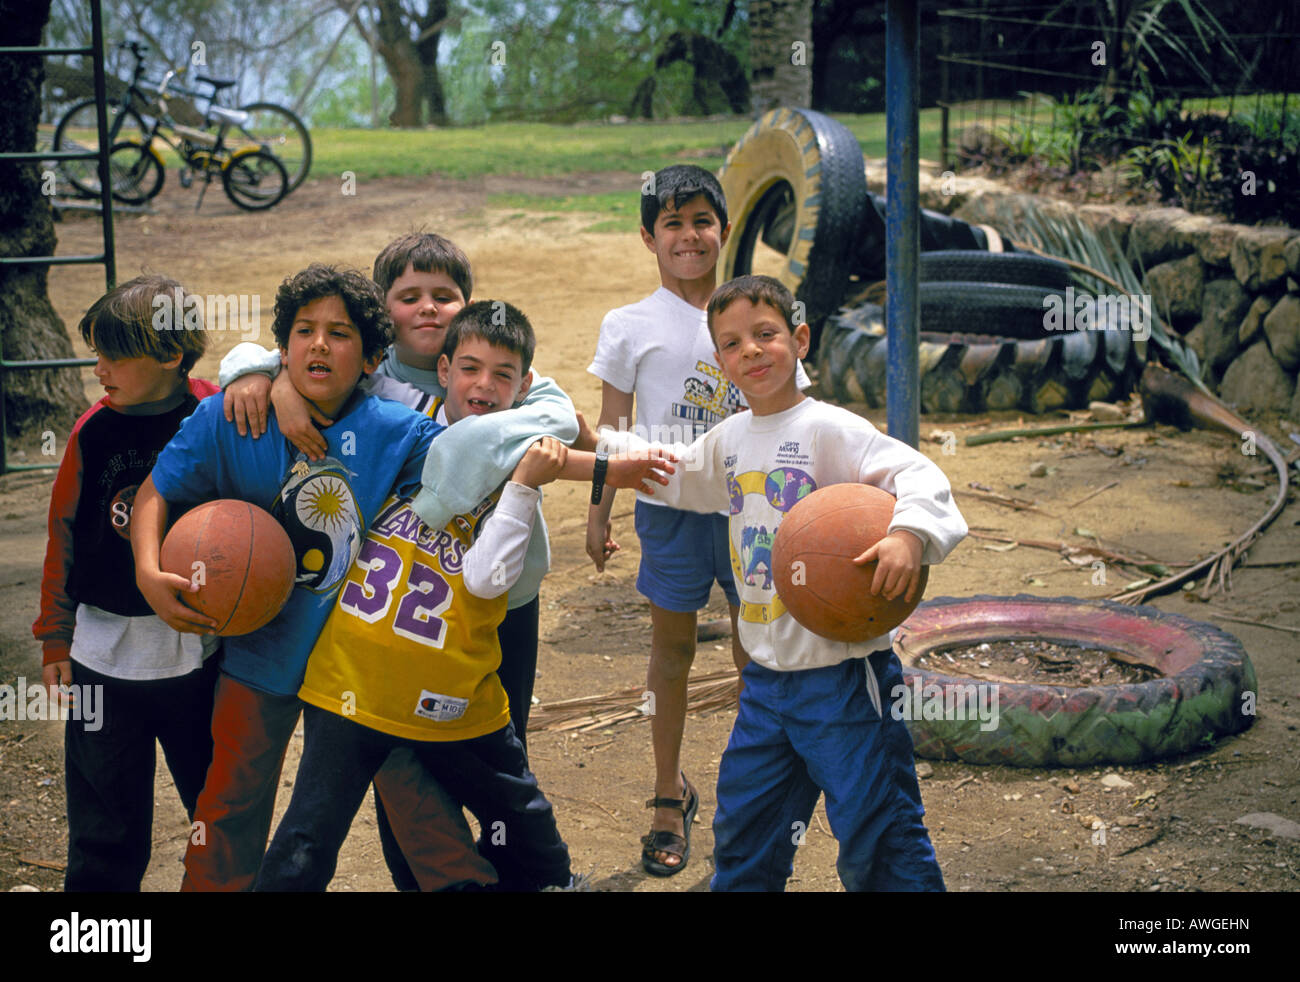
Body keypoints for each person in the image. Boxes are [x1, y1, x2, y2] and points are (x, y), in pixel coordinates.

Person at [254, 301, 673, 891]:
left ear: (523, 387)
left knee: (519, 822)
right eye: (470, 368)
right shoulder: (395, 424)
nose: (484, 384)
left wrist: (541, 478)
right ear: (443, 369)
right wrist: (270, 380)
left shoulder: (516, 453)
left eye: (503, 376)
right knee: (312, 835)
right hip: (359, 678)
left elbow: (486, 577)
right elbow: (474, 444)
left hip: (445, 689)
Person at [217, 233, 585, 890]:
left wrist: (495, 438)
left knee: (494, 770)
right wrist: (266, 378)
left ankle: (518, 877)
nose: (429, 309)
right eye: (408, 296)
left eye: (445, 296)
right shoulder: (368, 377)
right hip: (394, 625)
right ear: (383, 312)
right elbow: (278, 349)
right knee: (403, 778)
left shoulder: (493, 369)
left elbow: (559, 415)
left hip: (504, 607)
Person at [596, 274, 968, 891]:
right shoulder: (732, 438)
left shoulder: (829, 428)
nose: (751, 350)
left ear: (799, 339)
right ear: (720, 363)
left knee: (879, 833)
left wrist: (908, 535)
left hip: (843, 679)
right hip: (765, 684)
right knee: (746, 832)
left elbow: (916, 471)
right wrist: (604, 446)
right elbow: (680, 476)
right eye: (733, 343)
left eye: (765, 334)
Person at [131, 263, 445, 891]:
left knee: (416, 797)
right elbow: (154, 493)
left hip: (358, 661)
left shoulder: (403, 432)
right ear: (282, 348)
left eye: (340, 333)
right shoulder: (231, 416)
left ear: (373, 357)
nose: (320, 344)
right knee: (230, 803)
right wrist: (147, 569)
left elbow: (476, 460)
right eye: (304, 331)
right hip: (260, 651)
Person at [585, 164, 808, 875]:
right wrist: (599, 510)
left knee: (756, 656)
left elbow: (795, 414)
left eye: (702, 222)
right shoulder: (628, 325)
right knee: (672, 654)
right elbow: (612, 425)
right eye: (673, 224)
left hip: (754, 515)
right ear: (648, 236)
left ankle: (753, 793)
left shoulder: (755, 316)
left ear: (725, 230)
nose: (689, 237)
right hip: (669, 511)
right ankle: (665, 793)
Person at [33, 274, 220, 890]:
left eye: (114, 354)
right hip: (102, 661)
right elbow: (63, 537)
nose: (98, 368)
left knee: (217, 815)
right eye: (96, 352)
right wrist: (55, 638)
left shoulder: (215, 415)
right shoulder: (92, 432)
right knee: (104, 831)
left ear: (170, 355)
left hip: (200, 659)